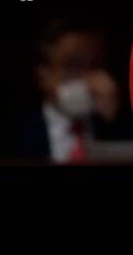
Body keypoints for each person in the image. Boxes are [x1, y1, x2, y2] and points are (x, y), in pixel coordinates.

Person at [11, 18, 122, 163]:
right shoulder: (14, 137)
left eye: (95, 65)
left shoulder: (117, 126)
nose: (87, 79)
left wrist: (114, 123)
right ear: (42, 75)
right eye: (72, 66)